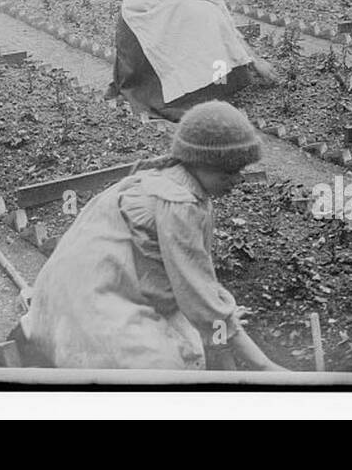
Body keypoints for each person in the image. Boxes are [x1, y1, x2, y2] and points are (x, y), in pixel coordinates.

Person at [15, 101, 285, 371]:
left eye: (240, 171)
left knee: (194, 342)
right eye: (227, 171)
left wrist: (219, 333)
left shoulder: (170, 182)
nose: (236, 180)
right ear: (198, 162)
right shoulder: (178, 202)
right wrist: (265, 366)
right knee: (166, 371)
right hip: (89, 304)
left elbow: (199, 281)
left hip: (62, 297)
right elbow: (199, 297)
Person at [109, 0, 278, 121]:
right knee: (208, 15)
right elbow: (223, 19)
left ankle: (210, 82)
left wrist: (250, 60)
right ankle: (196, 88)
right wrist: (255, 61)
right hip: (140, 22)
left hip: (153, 16)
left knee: (204, 15)